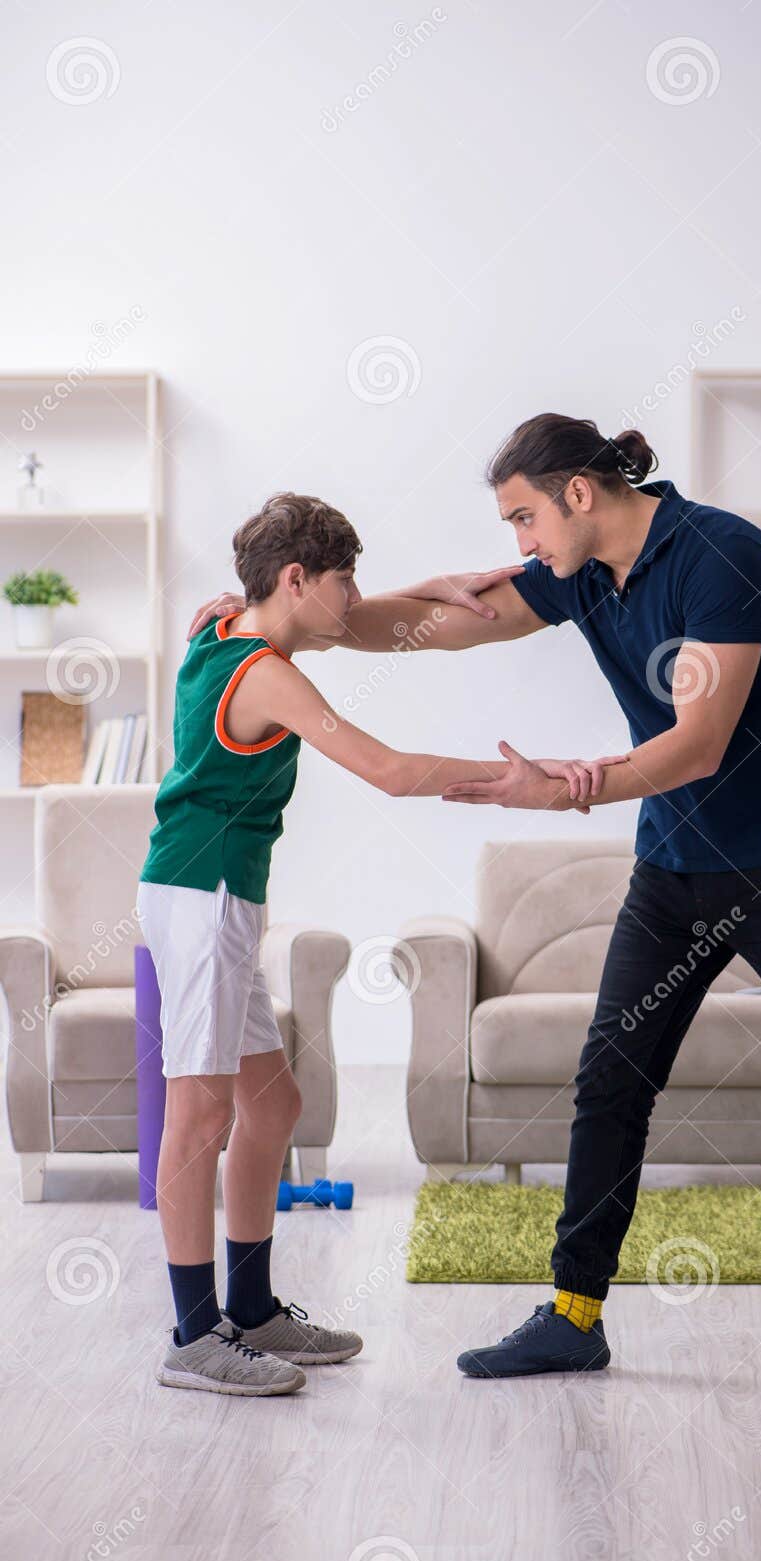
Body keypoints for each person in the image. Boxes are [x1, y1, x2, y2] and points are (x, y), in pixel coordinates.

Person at [190, 419, 761, 1394]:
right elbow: (430, 628)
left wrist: (564, 790)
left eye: (523, 517)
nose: (520, 542)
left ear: (580, 493)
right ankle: (575, 1315)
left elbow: (699, 742)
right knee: (610, 1082)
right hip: (674, 866)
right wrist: (263, 619)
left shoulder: (723, 557)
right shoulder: (582, 575)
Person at [142, 490, 610, 1398]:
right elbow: (389, 771)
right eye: (345, 579)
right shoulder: (263, 671)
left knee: (271, 1103)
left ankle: (252, 1309)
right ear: (296, 579)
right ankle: (193, 1336)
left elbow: (347, 624)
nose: (354, 598)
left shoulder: (230, 627)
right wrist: (528, 776)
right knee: (200, 1114)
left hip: (219, 896)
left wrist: (433, 586)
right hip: (200, 897)